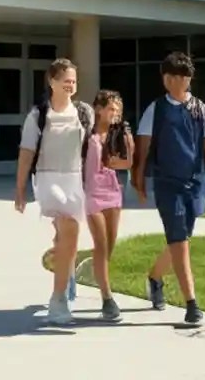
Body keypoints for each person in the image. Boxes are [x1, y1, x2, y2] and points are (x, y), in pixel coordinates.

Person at [131, 51, 205, 328]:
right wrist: (138, 179)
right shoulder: (156, 109)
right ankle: (191, 305)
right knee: (179, 240)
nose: (181, 81)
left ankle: (155, 277)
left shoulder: (200, 110)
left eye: (185, 77)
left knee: (180, 240)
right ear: (166, 79)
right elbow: (143, 147)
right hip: (166, 184)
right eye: (175, 77)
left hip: (194, 184)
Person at [15, 58, 94, 326]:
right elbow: (26, 153)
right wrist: (20, 190)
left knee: (68, 236)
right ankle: (58, 301)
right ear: (52, 81)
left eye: (74, 81)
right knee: (69, 227)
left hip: (74, 179)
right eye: (66, 81)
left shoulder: (83, 113)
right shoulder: (38, 115)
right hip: (48, 178)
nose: (71, 85)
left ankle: (63, 267)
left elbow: (92, 149)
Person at [84, 89, 134, 321]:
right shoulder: (87, 134)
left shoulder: (117, 136)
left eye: (118, 110)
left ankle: (91, 269)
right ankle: (107, 299)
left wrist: (129, 145)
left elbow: (126, 164)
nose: (115, 113)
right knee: (101, 246)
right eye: (111, 108)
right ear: (99, 109)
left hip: (112, 193)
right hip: (92, 194)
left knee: (109, 248)